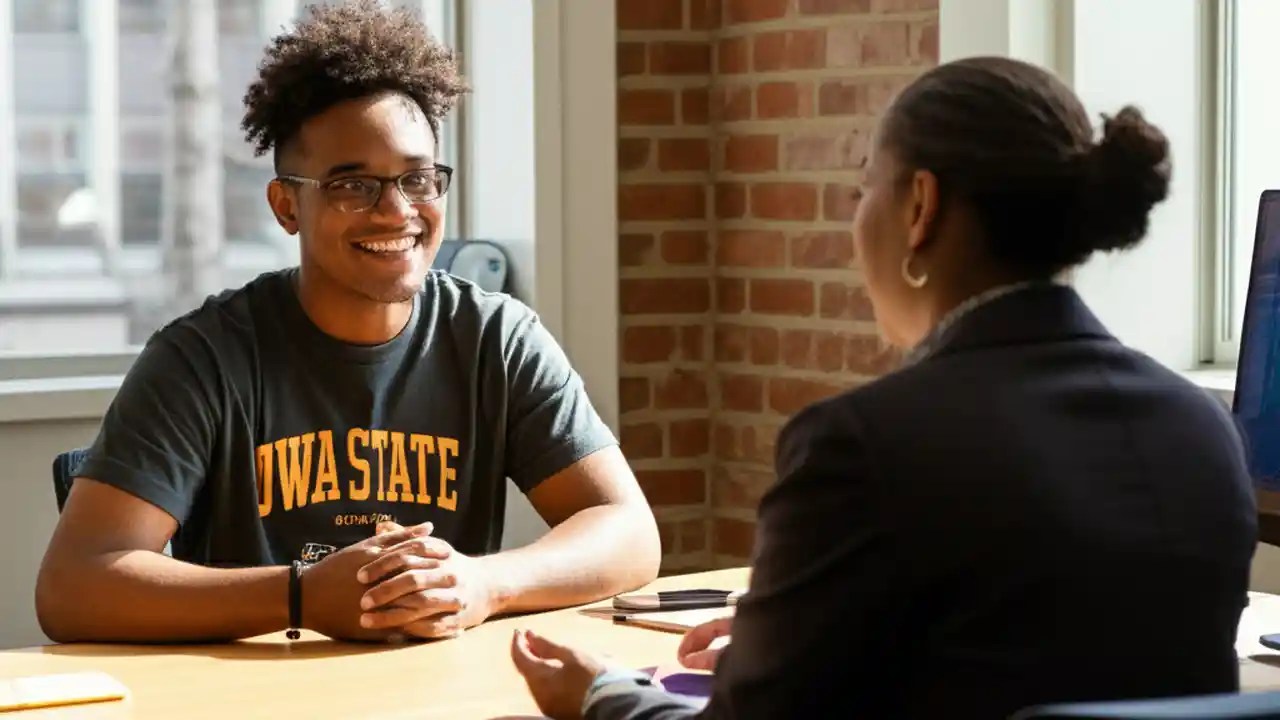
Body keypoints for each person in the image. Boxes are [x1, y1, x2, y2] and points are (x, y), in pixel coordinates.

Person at [511, 56, 1259, 720]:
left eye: (864, 186)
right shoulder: (1202, 430)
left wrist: (605, 695)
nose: (856, 217)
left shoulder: (862, 447)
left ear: (919, 206)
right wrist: (803, 637)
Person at [35, 0, 660, 644]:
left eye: (418, 179)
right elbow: (73, 585)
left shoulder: (494, 339)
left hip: (438, 684)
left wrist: (483, 584)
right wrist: (300, 596)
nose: (396, 211)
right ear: (287, 205)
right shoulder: (203, 358)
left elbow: (630, 532)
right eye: (352, 186)